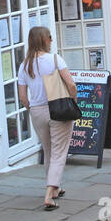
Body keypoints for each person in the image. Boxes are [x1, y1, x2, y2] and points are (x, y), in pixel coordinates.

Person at [16, 26, 79, 210]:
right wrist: (72, 100)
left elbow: (22, 97)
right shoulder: (54, 59)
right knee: (59, 153)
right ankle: (49, 194)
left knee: (48, 150)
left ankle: (56, 188)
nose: (51, 40)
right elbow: (71, 84)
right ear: (44, 40)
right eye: (50, 37)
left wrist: (31, 108)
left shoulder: (24, 65)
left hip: (37, 112)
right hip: (58, 108)